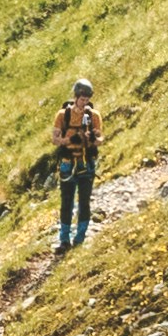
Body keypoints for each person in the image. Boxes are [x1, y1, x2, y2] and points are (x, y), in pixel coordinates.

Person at [40, 78, 101, 250]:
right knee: (66, 202)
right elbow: (55, 139)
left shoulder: (93, 116)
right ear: (76, 96)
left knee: (84, 202)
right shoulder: (62, 115)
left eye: (87, 99)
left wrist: (93, 139)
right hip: (67, 163)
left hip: (86, 164)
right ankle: (64, 240)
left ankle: (80, 239)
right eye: (82, 98)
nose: (85, 102)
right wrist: (70, 139)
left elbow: (101, 138)